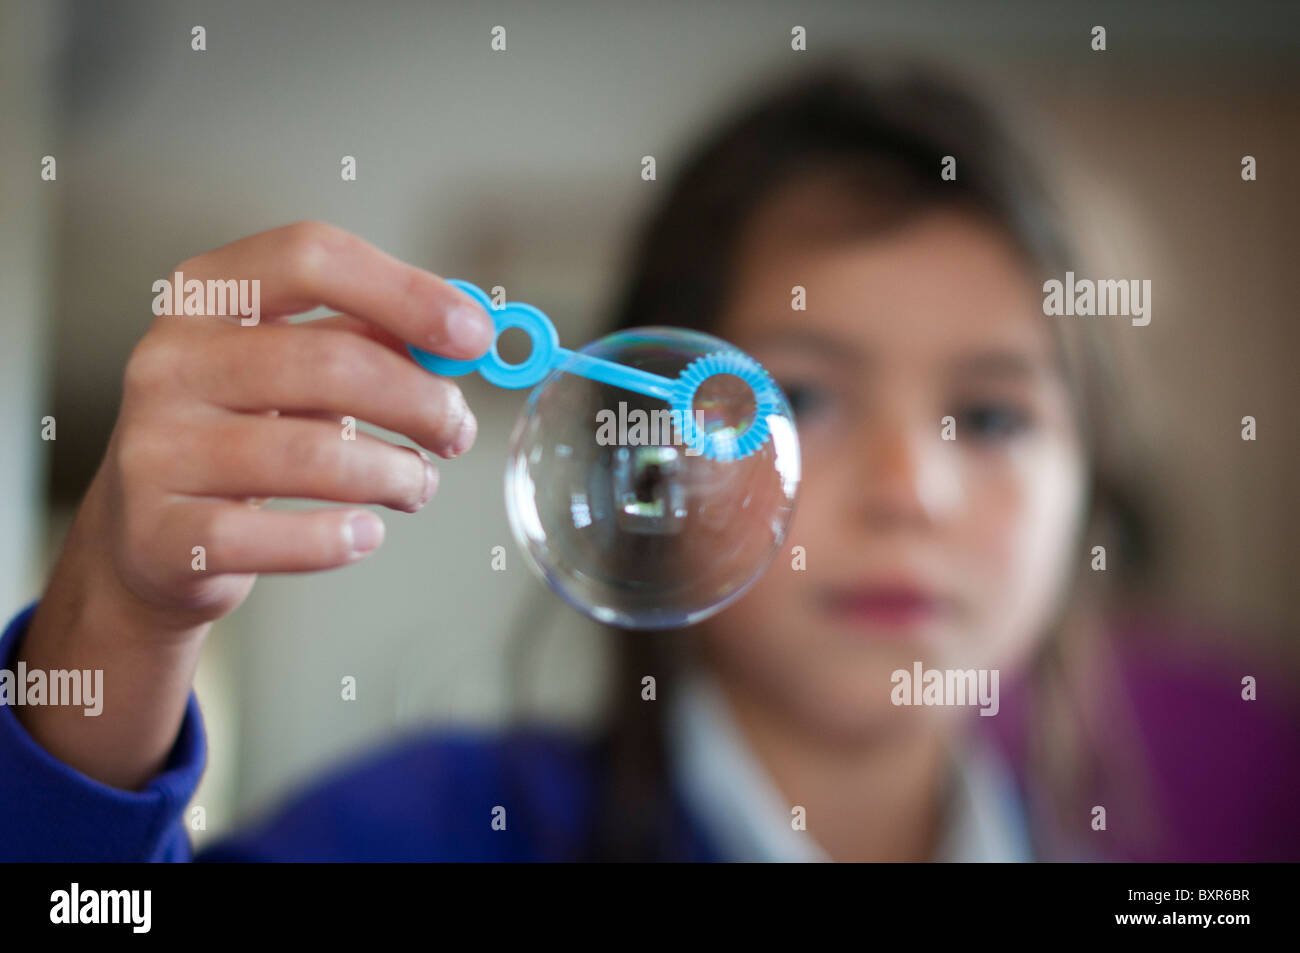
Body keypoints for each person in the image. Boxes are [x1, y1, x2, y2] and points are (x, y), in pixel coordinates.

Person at [0, 64, 1286, 863]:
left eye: (992, 417)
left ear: (1088, 482)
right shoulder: (429, 834)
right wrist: (114, 636)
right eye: (792, 394)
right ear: (641, 454)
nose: (911, 488)